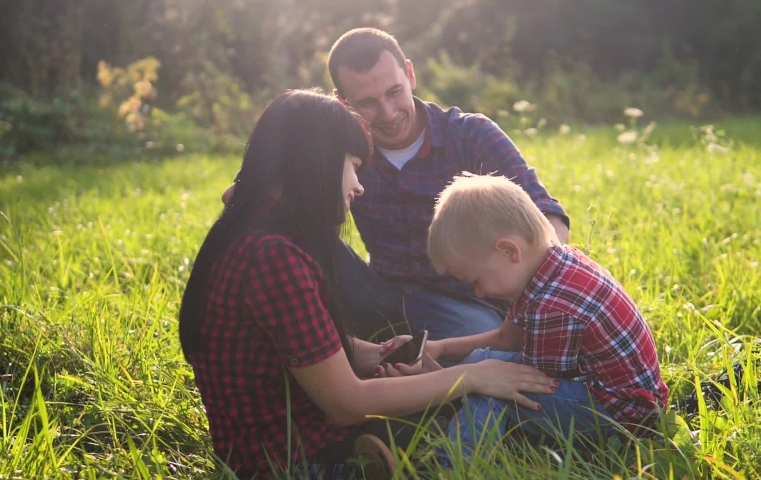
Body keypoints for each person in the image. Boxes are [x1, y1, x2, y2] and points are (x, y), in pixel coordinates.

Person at [179, 89, 558, 479]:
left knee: (448, 404)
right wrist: (471, 377)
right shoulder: (275, 255)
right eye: (354, 166)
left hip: (265, 446)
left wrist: (351, 351)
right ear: (318, 160)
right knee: (464, 415)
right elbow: (347, 404)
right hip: (290, 460)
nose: (359, 186)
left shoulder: (251, 229)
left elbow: (273, 348)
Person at [221, 27, 570, 343]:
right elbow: (240, 198)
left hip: (470, 299)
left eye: (394, 92)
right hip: (378, 294)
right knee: (286, 223)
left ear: (410, 74)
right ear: (341, 102)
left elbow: (545, 216)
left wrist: (542, 300)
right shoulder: (336, 151)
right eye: (368, 103)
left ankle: (417, 363)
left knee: (483, 339)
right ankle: (317, 342)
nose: (388, 114)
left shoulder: (470, 134)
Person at [422, 173, 669, 460]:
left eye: (476, 280)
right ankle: (453, 416)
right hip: (615, 392)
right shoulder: (549, 267)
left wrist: (462, 379)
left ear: (508, 251)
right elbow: (505, 339)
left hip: (621, 416)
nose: (478, 294)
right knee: (484, 367)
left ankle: (449, 466)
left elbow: (523, 380)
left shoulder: (552, 305)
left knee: (493, 391)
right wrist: (442, 349)